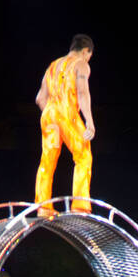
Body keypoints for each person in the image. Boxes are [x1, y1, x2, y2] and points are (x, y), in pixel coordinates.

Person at [34, 33, 95, 214]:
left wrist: (51, 114)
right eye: (90, 55)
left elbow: (39, 98)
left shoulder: (52, 66)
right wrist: (90, 122)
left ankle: (43, 207)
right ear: (86, 51)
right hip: (67, 113)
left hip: (49, 114)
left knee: (47, 161)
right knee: (83, 156)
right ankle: (80, 206)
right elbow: (83, 93)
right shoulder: (81, 64)